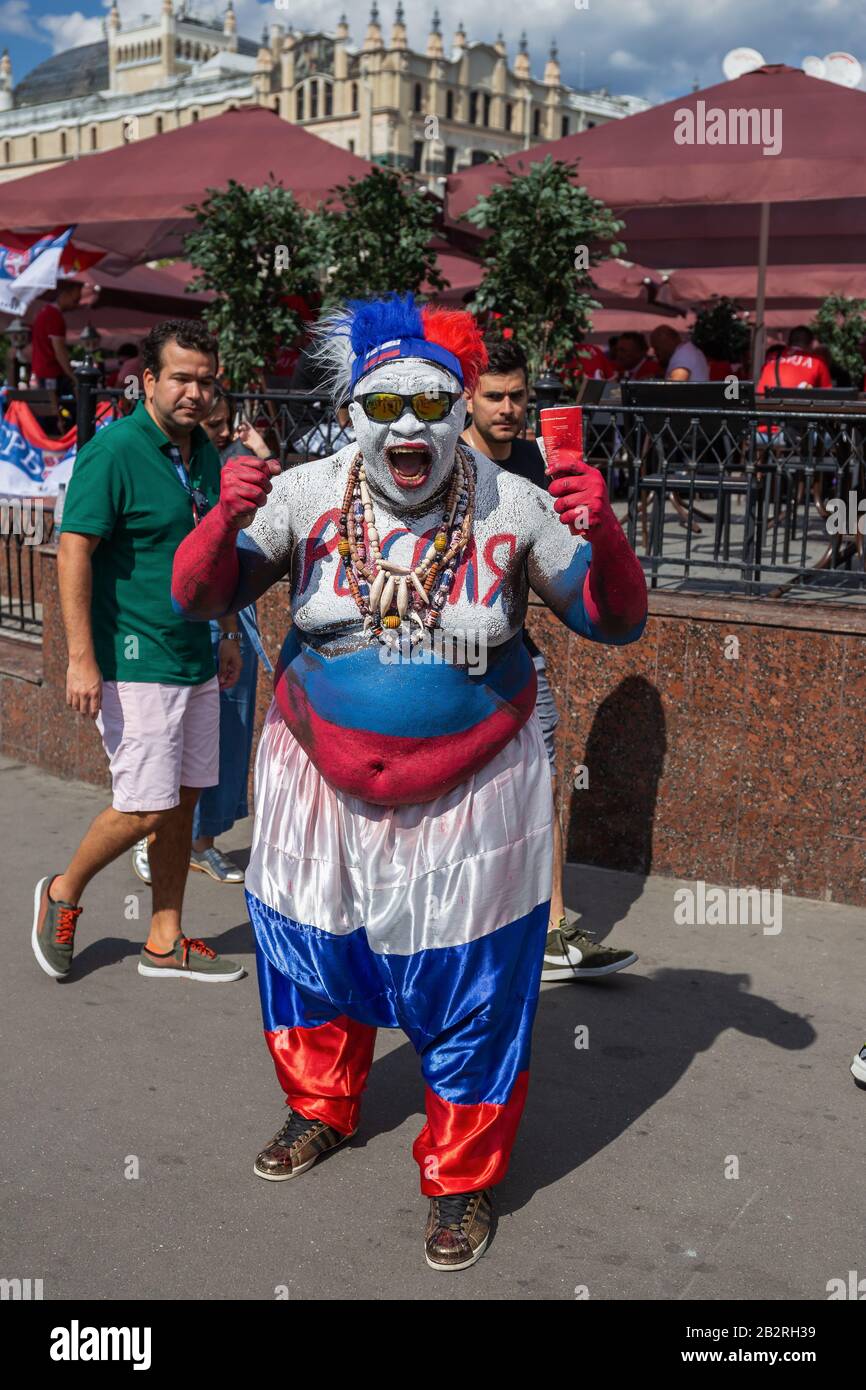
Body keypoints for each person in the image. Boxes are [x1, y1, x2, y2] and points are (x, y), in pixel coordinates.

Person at [171, 293, 648, 1271]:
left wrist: (607, 537)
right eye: (383, 406)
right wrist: (223, 515)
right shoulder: (304, 494)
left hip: (475, 805)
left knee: (474, 987)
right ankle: (321, 1108)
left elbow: (610, 620)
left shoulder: (510, 501)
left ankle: (462, 1177)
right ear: (355, 412)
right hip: (316, 790)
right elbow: (199, 593)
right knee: (309, 958)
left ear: (457, 406)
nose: (406, 427)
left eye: (428, 404)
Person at [31, 318, 243, 985]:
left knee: (182, 800)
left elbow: (217, 548)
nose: (195, 392)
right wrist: (80, 658)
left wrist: (231, 627)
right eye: (180, 378)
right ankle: (63, 892)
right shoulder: (114, 450)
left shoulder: (204, 454)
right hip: (133, 657)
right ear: (148, 380)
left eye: (205, 381)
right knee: (146, 803)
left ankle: (165, 938)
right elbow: (74, 551)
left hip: (194, 653)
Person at [461, 335, 638, 982]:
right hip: (444, 663)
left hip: (516, 651)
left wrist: (588, 515)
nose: (508, 408)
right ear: (467, 399)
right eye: (494, 396)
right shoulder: (448, 463)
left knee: (539, 781)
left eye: (518, 397)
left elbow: (567, 564)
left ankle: (554, 929)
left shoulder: (536, 459)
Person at [131, 389, 274, 886]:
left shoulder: (225, 463)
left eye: (219, 424)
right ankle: (159, 839)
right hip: (176, 623)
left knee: (226, 735)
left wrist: (232, 629)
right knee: (168, 743)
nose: (211, 433)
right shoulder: (154, 461)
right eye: (205, 425)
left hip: (229, 614)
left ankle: (201, 842)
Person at [31, 279, 82, 397]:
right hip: (50, 372)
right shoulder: (54, 316)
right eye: (76, 300)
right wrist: (72, 376)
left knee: (52, 408)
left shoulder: (44, 312)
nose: (76, 305)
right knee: (80, 396)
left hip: (42, 371)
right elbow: (59, 351)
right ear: (65, 294)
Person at [755, 325, 832, 393]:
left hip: (762, 406)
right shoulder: (818, 362)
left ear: (788, 343)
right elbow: (828, 396)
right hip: (795, 407)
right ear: (811, 344)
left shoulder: (772, 358)